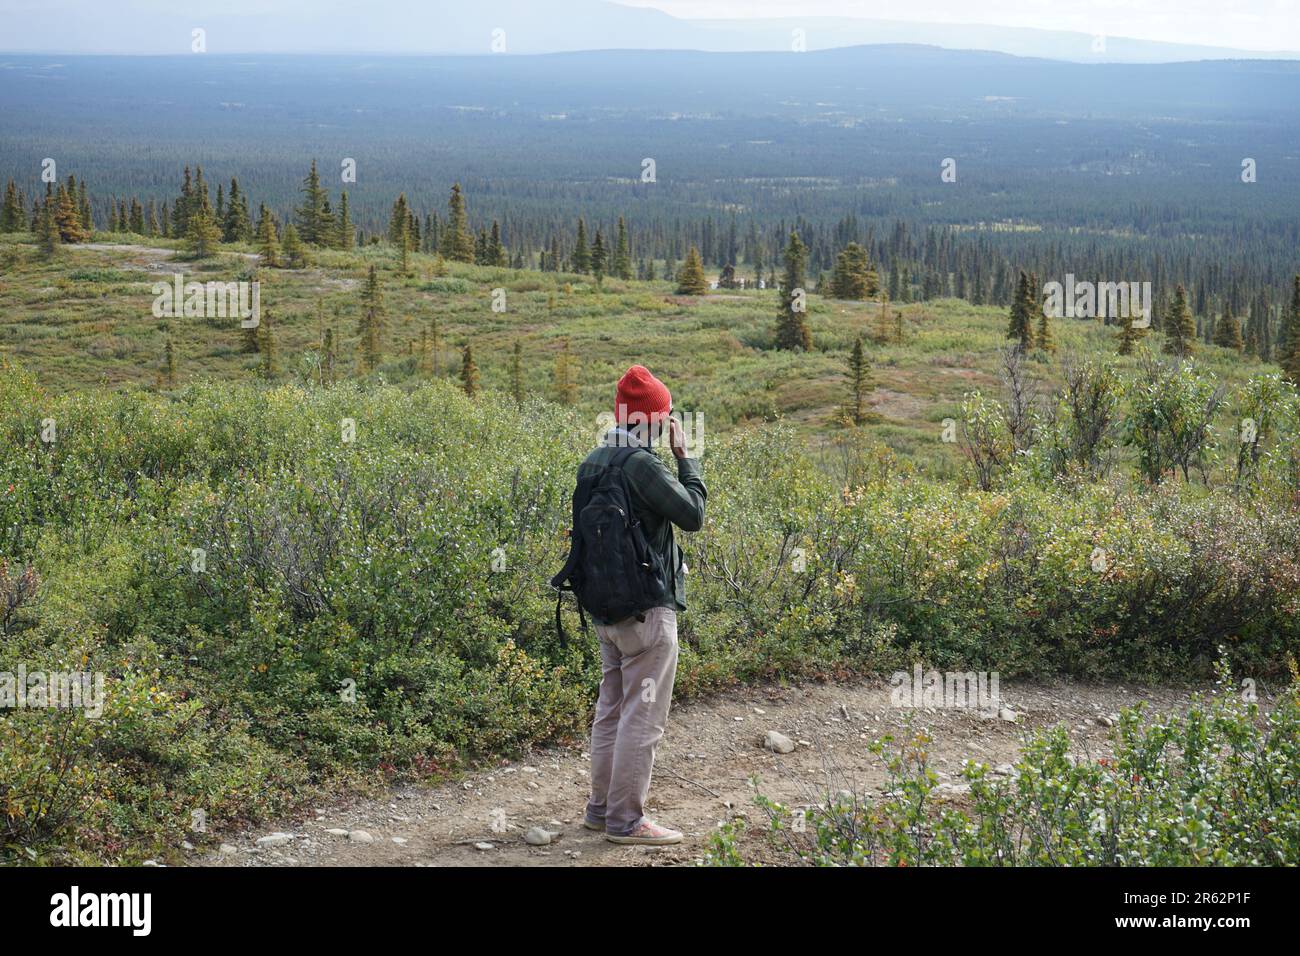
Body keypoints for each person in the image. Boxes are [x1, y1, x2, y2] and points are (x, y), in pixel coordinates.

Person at [578, 365, 706, 845]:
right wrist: (686, 458)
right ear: (651, 419)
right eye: (666, 413)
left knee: (611, 710)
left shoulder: (592, 460)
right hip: (648, 612)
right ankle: (626, 822)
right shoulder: (642, 465)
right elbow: (692, 515)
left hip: (605, 611)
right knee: (642, 718)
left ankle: (599, 810)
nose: (670, 419)